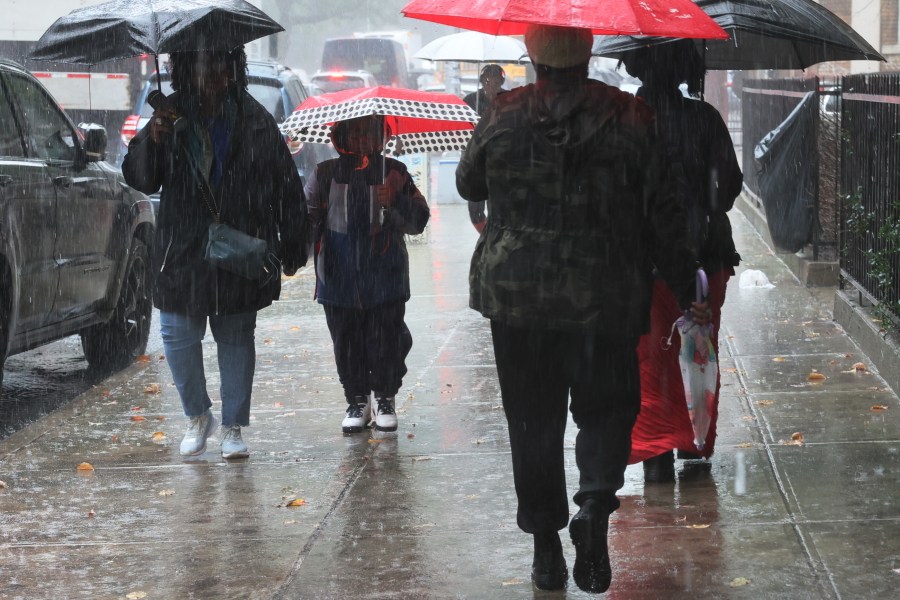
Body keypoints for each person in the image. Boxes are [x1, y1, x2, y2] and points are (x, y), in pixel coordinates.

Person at [456, 25, 710, 593]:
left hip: (519, 299)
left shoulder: (504, 112)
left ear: (532, 56)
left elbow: (468, 177)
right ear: (589, 52)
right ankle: (593, 505)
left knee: (532, 422)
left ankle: (547, 548)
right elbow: (663, 209)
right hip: (605, 293)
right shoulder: (630, 116)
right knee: (607, 410)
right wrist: (684, 277)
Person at [122, 48, 308, 460]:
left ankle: (233, 426)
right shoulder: (167, 116)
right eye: (205, 65)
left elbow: (284, 180)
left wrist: (294, 241)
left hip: (238, 244)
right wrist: (153, 140)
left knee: (235, 335)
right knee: (175, 334)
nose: (215, 75)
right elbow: (139, 176)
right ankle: (198, 416)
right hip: (182, 247)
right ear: (187, 69)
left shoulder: (253, 117)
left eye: (222, 65)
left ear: (233, 69)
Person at [619, 41, 743, 484]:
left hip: (645, 259)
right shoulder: (703, 118)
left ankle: (656, 451)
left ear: (636, 66)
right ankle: (695, 439)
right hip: (705, 255)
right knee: (698, 351)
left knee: (650, 357)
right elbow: (727, 190)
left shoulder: (625, 119)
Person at [304, 115, 430, 434]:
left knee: (386, 338)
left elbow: (418, 221)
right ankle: (357, 399)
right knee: (346, 341)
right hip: (337, 275)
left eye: (369, 133)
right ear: (341, 135)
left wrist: (396, 199)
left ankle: (385, 397)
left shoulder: (395, 171)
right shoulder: (325, 173)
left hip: (386, 276)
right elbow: (306, 218)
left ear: (380, 136)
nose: (362, 139)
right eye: (355, 132)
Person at [463, 64, 507, 234]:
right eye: (487, 80)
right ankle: (486, 236)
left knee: (498, 206)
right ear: (482, 81)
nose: (491, 84)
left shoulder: (510, 99)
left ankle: (495, 237)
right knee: (475, 210)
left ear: (501, 81)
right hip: (475, 163)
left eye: (495, 81)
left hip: (501, 163)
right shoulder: (470, 101)